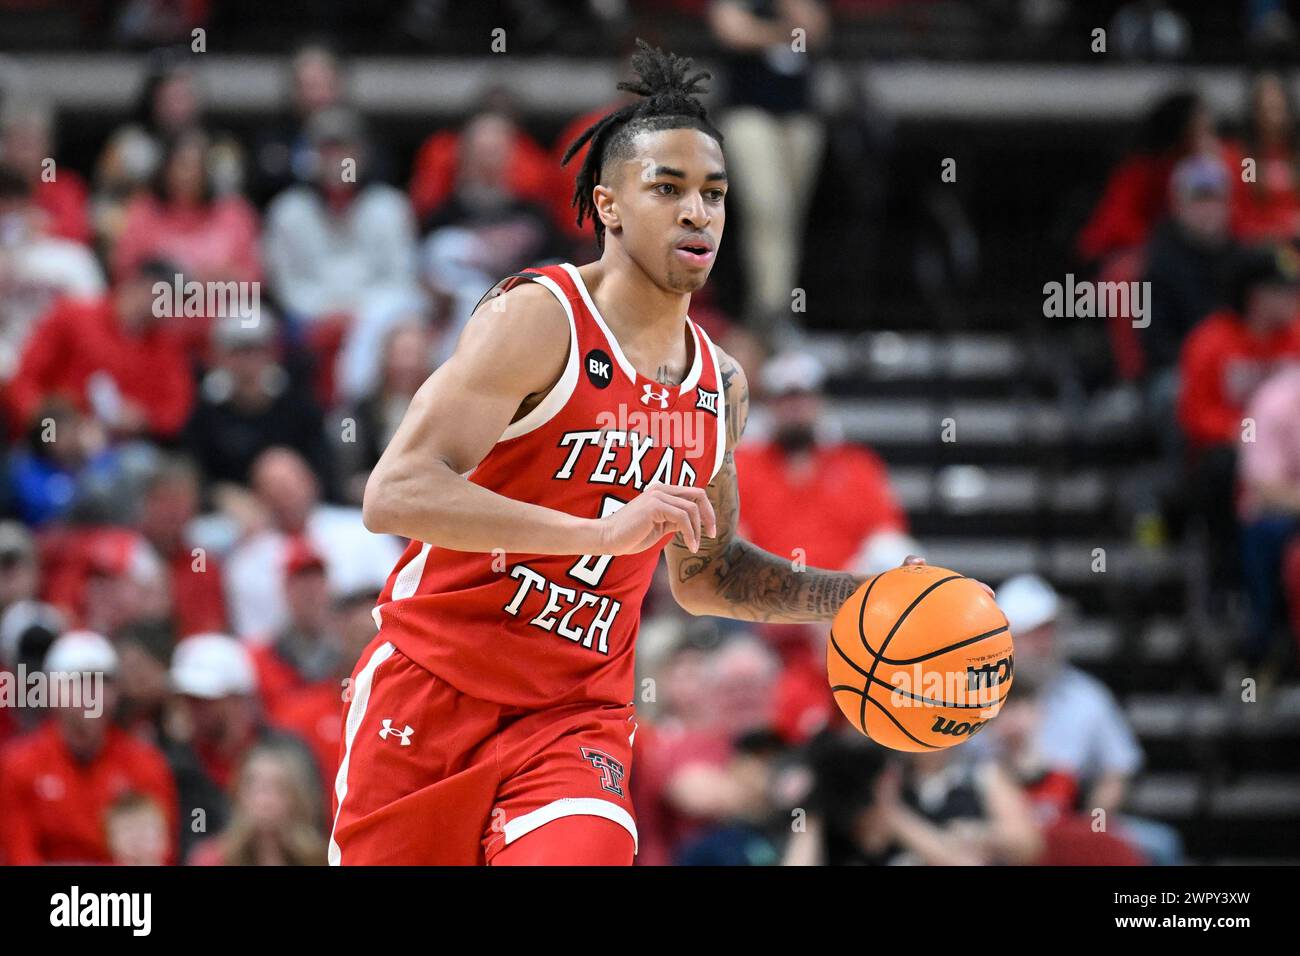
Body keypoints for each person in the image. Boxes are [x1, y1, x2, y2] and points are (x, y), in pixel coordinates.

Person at [335, 41, 967, 866]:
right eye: (667, 189)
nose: (697, 212)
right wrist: (597, 535)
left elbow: (710, 577)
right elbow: (396, 492)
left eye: (713, 193)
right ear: (609, 205)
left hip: (573, 722)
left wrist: (861, 596)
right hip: (430, 690)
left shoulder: (721, 385)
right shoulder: (540, 317)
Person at [977, 574, 1185, 865]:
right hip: (997, 820)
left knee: (1159, 844)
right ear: (1007, 638)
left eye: (1049, 630)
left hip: (1071, 815)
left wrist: (1091, 823)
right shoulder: (976, 693)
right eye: (1033, 632)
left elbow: (1119, 769)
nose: (1044, 642)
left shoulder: (1087, 695)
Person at [0, 631, 178, 865]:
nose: (90, 693)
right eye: (76, 681)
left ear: (116, 691)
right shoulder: (18, 764)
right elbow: (18, 854)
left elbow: (159, 852)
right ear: (51, 690)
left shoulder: (146, 763)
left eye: (102, 681)